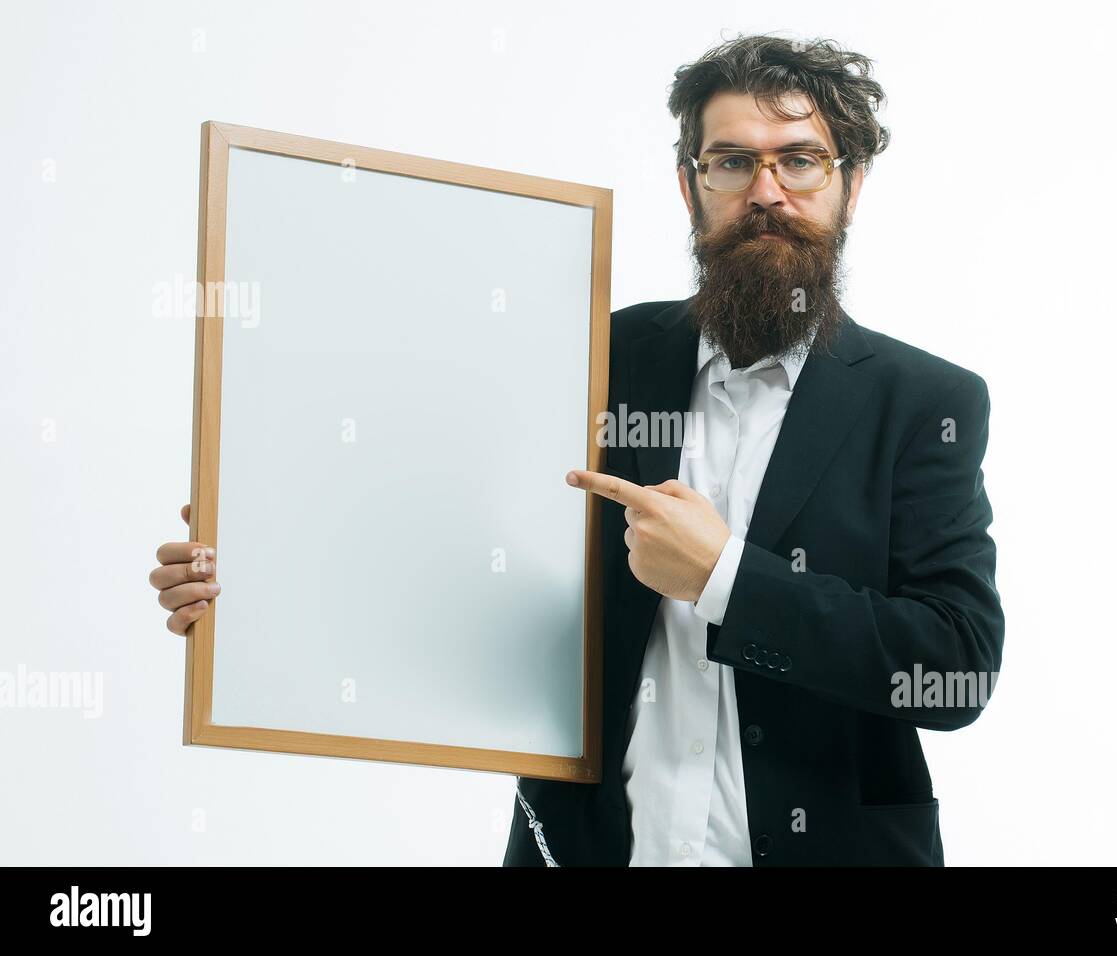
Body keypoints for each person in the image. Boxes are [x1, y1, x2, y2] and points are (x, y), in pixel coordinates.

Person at [149, 33, 1004, 867]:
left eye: (801, 160)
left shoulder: (927, 402)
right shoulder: (587, 357)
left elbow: (956, 664)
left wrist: (724, 578)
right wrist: (253, 566)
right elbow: (446, 530)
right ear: (689, 186)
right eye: (732, 161)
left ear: (850, 187)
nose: (766, 191)